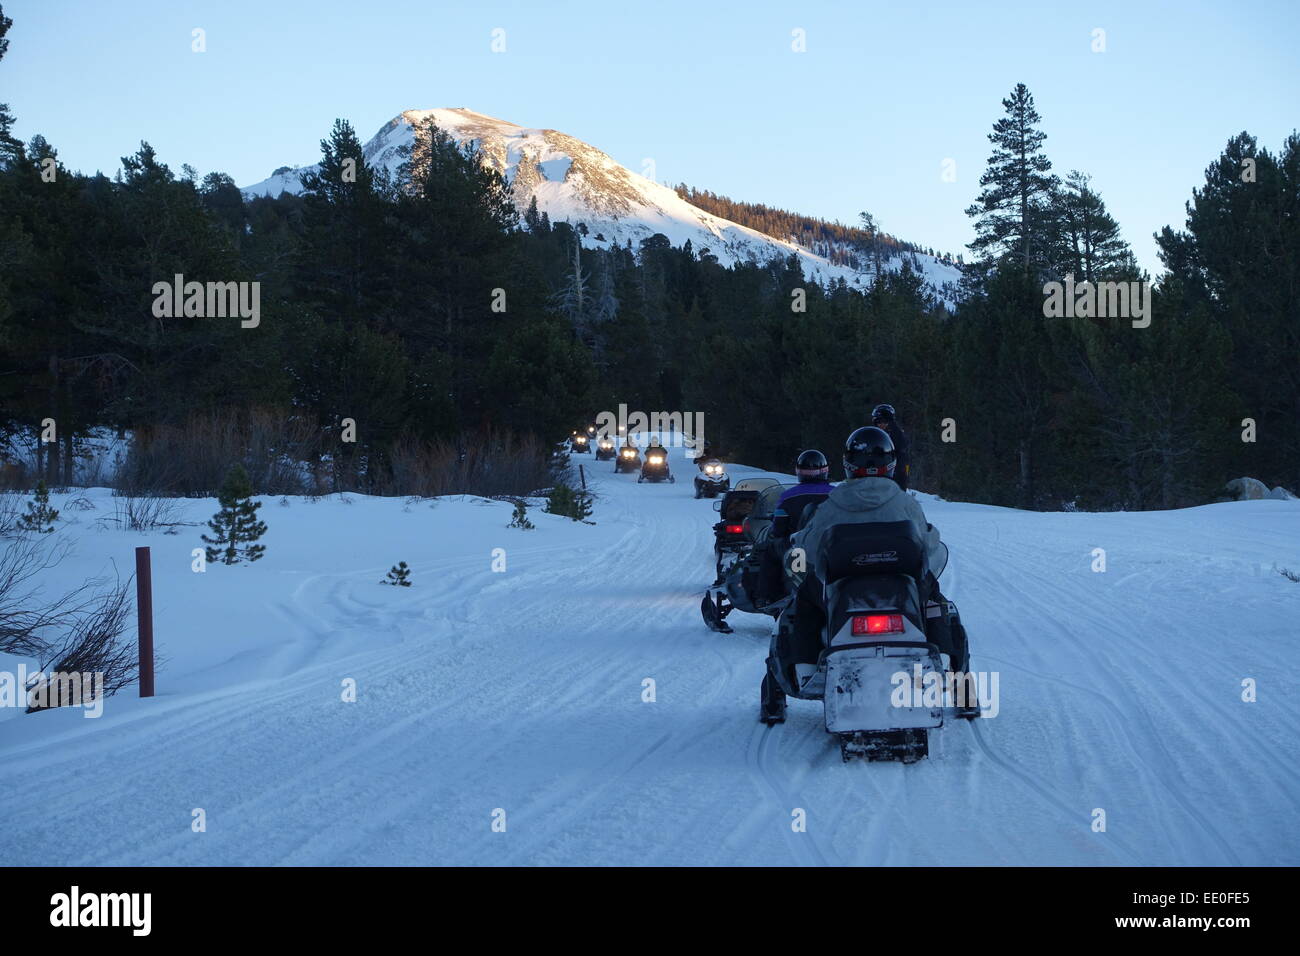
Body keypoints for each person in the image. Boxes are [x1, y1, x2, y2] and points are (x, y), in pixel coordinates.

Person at [762, 426, 968, 721]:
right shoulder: (904, 502)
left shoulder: (833, 504)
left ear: (848, 464)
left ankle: (805, 666)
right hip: (900, 586)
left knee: (803, 605)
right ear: (891, 464)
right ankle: (951, 667)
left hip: (845, 587)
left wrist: (798, 541)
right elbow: (927, 541)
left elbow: (809, 542)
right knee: (936, 604)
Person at [871, 403, 910, 491]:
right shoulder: (875, 433)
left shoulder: (896, 434)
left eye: (884, 421)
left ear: (890, 421)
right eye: (878, 422)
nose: (881, 424)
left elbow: (902, 448)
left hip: (895, 472)